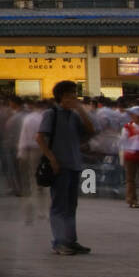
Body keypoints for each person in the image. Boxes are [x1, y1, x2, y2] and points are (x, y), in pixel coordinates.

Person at [38, 80, 97, 255]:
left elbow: (91, 130)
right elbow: (40, 138)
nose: (74, 96)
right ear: (62, 96)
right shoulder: (51, 114)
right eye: (71, 93)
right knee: (59, 205)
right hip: (60, 166)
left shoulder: (74, 115)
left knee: (71, 205)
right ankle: (59, 242)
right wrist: (52, 159)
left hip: (74, 164)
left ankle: (71, 240)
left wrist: (80, 109)